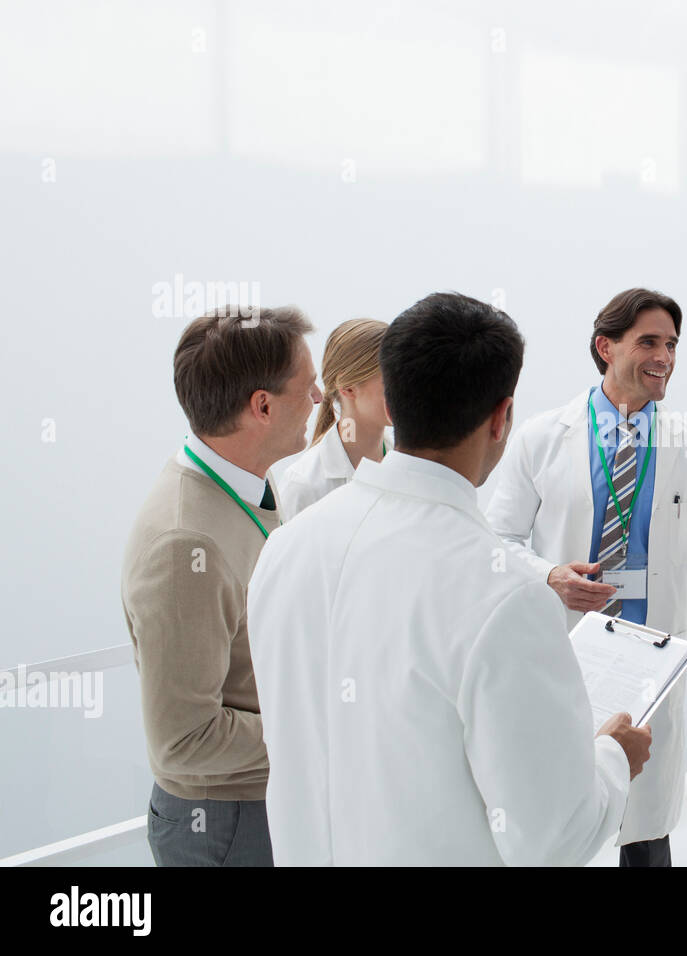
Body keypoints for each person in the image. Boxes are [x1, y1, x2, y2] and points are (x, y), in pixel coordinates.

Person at [246, 292, 651, 866]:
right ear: (501, 418)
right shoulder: (507, 596)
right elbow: (553, 837)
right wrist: (613, 755)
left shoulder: (285, 549)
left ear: (395, 401)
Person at [485, 287, 687, 867]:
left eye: (671, 344)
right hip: (565, 648)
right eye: (649, 342)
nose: (664, 356)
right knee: (556, 816)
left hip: (649, 657)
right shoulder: (541, 438)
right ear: (605, 347)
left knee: (643, 827)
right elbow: (499, 540)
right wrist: (551, 575)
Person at [120, 305, 321, 866]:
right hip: (227, 823)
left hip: (257, 801)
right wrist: (319, 728)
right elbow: (183, 740)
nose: (320, 399)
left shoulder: (248, 481)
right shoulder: (186, 546)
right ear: (262, 406)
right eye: (308, 388)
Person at [278, 318, 391, 520]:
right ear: (347, 388)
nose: (405, 390)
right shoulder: (303, 486)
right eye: (391, 379)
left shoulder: (407, 467)